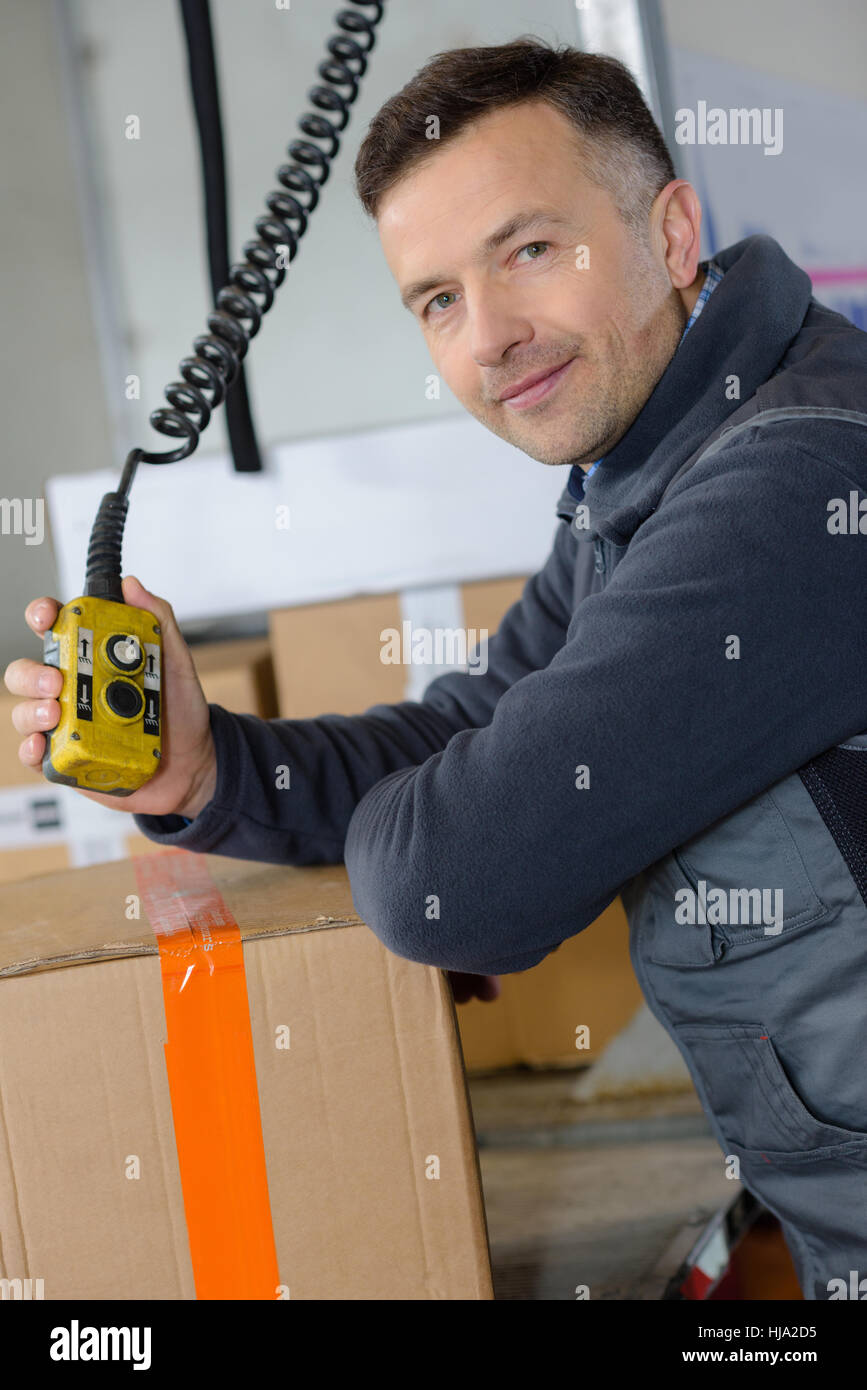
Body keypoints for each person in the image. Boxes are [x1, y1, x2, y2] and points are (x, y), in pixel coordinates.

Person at [5, 40, 867, 1299]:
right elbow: (474, 728)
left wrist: (487, 824)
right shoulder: (654, 468)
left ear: (672, 232)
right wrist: (207, 765)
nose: (494, 338)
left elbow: (453, 878)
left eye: (529, 251)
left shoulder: (797, 481)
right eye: (438, 300)